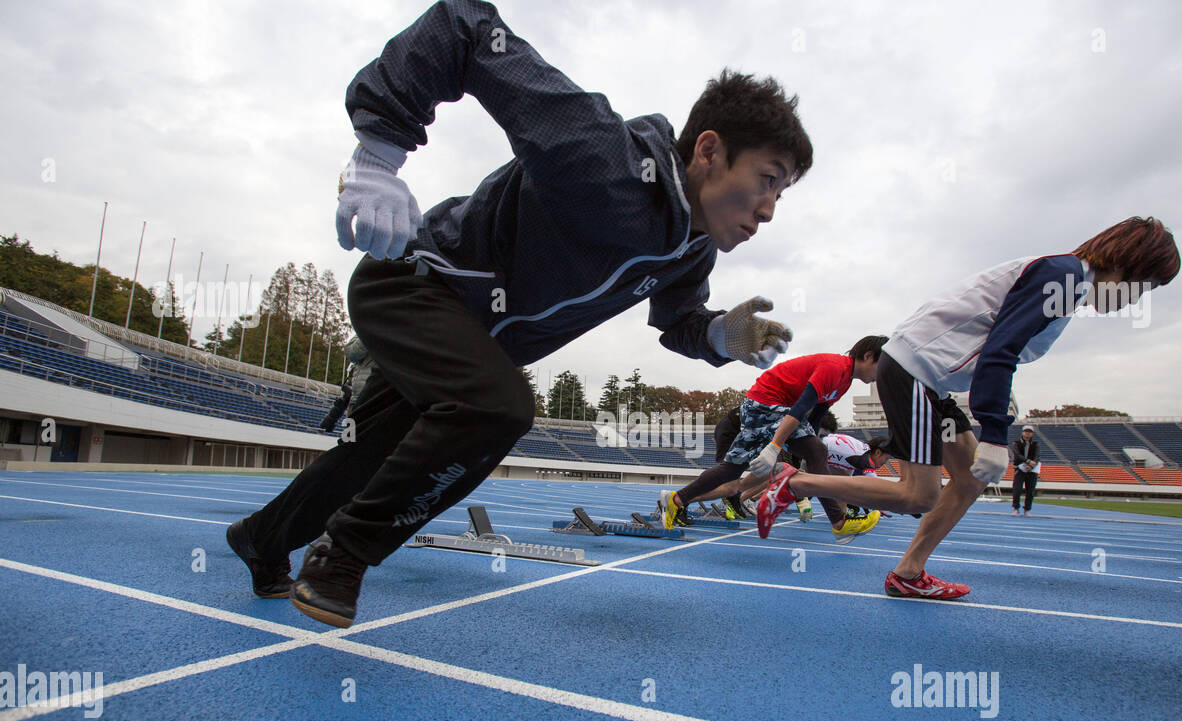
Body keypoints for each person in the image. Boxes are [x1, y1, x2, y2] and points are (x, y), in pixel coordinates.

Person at [225, 0, 813, 627]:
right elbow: (464, 26)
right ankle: (344, 554)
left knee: (368, 456)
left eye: (783, 192)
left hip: (471, 338)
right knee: (497, 408)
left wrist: (720, 335)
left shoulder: (691, 250)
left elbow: (679, 323)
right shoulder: (604, 157)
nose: (771, 209)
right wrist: (377, 157)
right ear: (709, 150)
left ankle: (263, 539)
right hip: (412, 283)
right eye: (769, 179)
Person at [757, 216, 1181, 598]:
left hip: (932, 380)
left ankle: (908, 572)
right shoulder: (1065, 276)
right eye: (1144, 287)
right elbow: (1002, 351)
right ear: (1129, 264)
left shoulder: (1068, 282)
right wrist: (996, 434)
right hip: (915, 371)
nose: (1135, 301)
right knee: (918, 495)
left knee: (969, 478)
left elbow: (993, 346)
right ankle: (795, 485)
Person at [662, 338, 888, 537]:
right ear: (868, 356)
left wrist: (806, 452)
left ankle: (676, 500)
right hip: (765, 402)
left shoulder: (844, 383)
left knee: (731, 470)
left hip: (765, 405)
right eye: (881, 367)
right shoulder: (834, 367)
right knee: (818, 451)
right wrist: (775, 447)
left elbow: (815, 419)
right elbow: (800, 409)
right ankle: (839, 522)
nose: (880, 377)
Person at [1009, 424, 1041, 515]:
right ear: (1022, 432)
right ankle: (1016, 508)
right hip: (1019, 468)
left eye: (1030, 432)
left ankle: (1027, 509)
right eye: (1026, 432)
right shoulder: (1016, 443)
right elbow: (1017, 455)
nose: (1027, 434)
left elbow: (1037, 456)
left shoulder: (1035, 444)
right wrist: (1028, 461)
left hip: (1032, 470)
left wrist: (1031, 466)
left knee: (1030, 490)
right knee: (1017, 489)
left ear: (1033, 434)